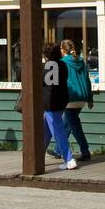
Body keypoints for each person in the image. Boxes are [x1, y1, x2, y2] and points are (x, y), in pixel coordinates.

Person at [42, 42, 76, 170]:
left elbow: (44, 82)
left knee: (57, 130)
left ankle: (69, 158)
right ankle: (39, 155)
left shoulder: (48, 65)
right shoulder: (63, 65)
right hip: (62, 100)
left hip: (51, 102)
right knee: (46, 130)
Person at [60, 39, 93, 162]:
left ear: (63, 50)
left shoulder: (62, 62)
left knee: (74, 126)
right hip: (81, 97)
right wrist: (90, 98)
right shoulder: (81, 61)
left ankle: (85, 151)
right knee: (67, 123)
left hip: (70, 97)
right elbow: (87, 80)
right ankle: (59, 149)